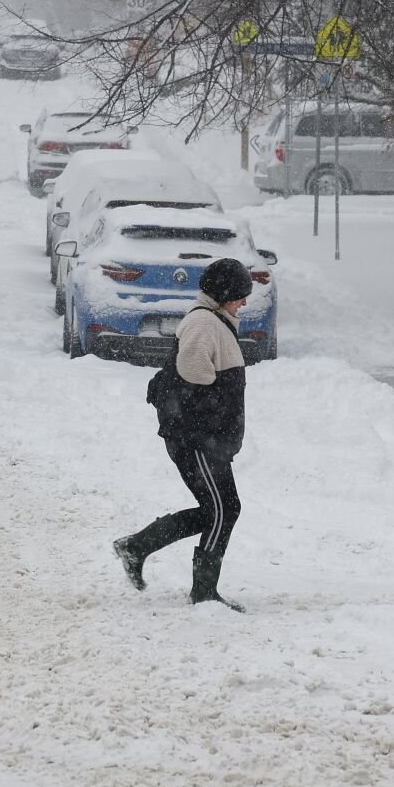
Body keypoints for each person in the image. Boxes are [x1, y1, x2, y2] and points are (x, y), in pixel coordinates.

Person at [113, 257, 252, 611]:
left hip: (203, 438)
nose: (244, 302)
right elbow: (192, 367)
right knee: (225, 509)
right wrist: (217, 408)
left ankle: (136, 546)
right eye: (239, 295)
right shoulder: (205, 322)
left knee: (216, 511)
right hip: (197, 438)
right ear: (223, 294)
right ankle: (203, 592)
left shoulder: (214, 320)